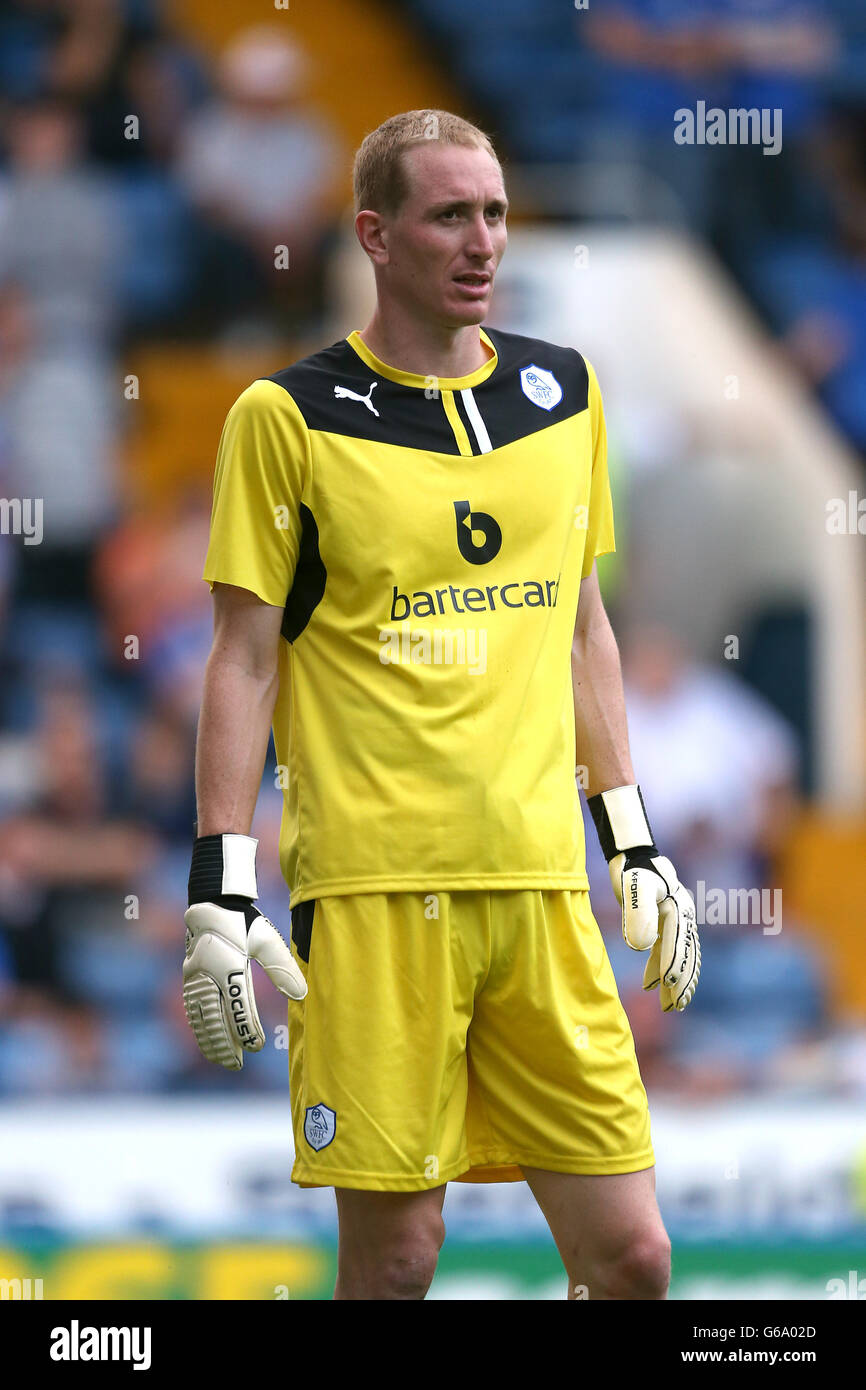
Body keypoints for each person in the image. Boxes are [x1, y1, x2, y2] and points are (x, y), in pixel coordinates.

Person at [182, 109, 700, 1301]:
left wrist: (631, 840)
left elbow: (580, 627)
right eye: (450, 215)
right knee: (399, 1262)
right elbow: (240, 657)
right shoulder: (285, 416)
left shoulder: (564, 392)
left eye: (497, 213)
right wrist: (220, 879)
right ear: (375, 234)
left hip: (539, 888)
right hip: (369, 894)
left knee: (632, 1260)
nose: (484, 242)